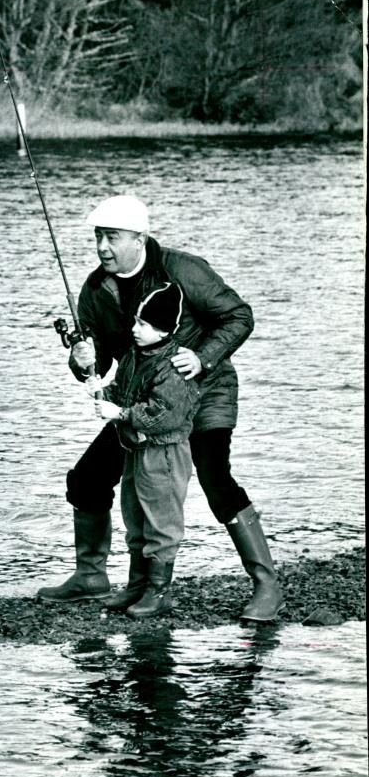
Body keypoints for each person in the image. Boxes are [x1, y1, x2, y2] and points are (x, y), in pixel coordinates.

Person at [37, 193, 284, 622]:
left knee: (214, 477)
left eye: (112, 237)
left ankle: (267, 585)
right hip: (144, 404)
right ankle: (91, 576)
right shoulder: (96, 289)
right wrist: (82, 363)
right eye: (98, 237)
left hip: (205, 393)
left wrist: (202, 357)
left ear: (140, 238)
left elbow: (239, 316)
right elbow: (102, 362)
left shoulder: (183, 269)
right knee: (87, 479)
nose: (102, 248)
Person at [86, 280, 199, 617]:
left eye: (144, 323)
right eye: (136, 320)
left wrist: (120, 414)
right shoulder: (137, 356)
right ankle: (138, 586)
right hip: (136, 450)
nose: (134, 329)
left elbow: (163, 414)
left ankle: (159, 592)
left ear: (164, 329)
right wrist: (101, 391)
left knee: (162, 523)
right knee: (135, 517)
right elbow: (122, 392)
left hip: (164, 453)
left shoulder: (175, 367)